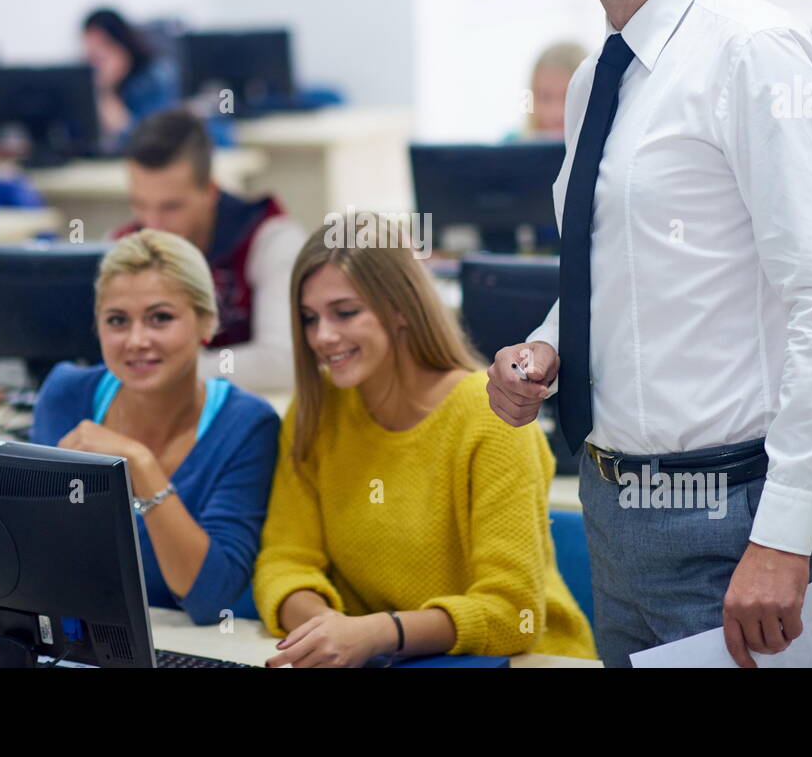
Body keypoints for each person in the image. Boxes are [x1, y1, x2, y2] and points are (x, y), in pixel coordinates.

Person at [486, 0, 812, 667]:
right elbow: (618, 269)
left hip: (730, 517)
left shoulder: (755, 50)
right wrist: (547, 346)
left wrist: (782, 530)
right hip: (611, 507)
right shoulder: (596, 78)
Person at [252, 215, 595, 666]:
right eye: (309, 318)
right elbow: (284, 561)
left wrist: (375, 633)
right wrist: (327, 632)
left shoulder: (490, 416)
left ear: (400, 308)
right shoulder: (317, 409)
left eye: (345, 312)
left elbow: (513, 613)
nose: (322, 336)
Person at [30, 228, 279, 624]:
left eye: (160, 318)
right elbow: (38, 558)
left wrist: (142, 466)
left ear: (207, 322)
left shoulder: (247, 426)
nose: (136, 340)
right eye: (117, 321)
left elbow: (212, 599)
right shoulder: (65, 395)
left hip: (190, 647)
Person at [111, 108, 305, 393]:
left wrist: (156, 368)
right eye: (140, 205)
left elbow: (283, 363)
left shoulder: (271, 241)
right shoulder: (119, 245)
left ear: (211, 191)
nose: (152, 225)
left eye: (171, 207)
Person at [82, 8, 181, 151]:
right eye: (91, 55)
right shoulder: (88, 81)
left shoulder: (155, 76)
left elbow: (141, 139)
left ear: (120, 43)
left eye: (103, 47)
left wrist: (106, 90)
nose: (97, 62)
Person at [514, 41, 589, 139]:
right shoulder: (509, 146)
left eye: (568, 98)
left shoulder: (610, 150)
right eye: (545, 98)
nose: (556, 113)